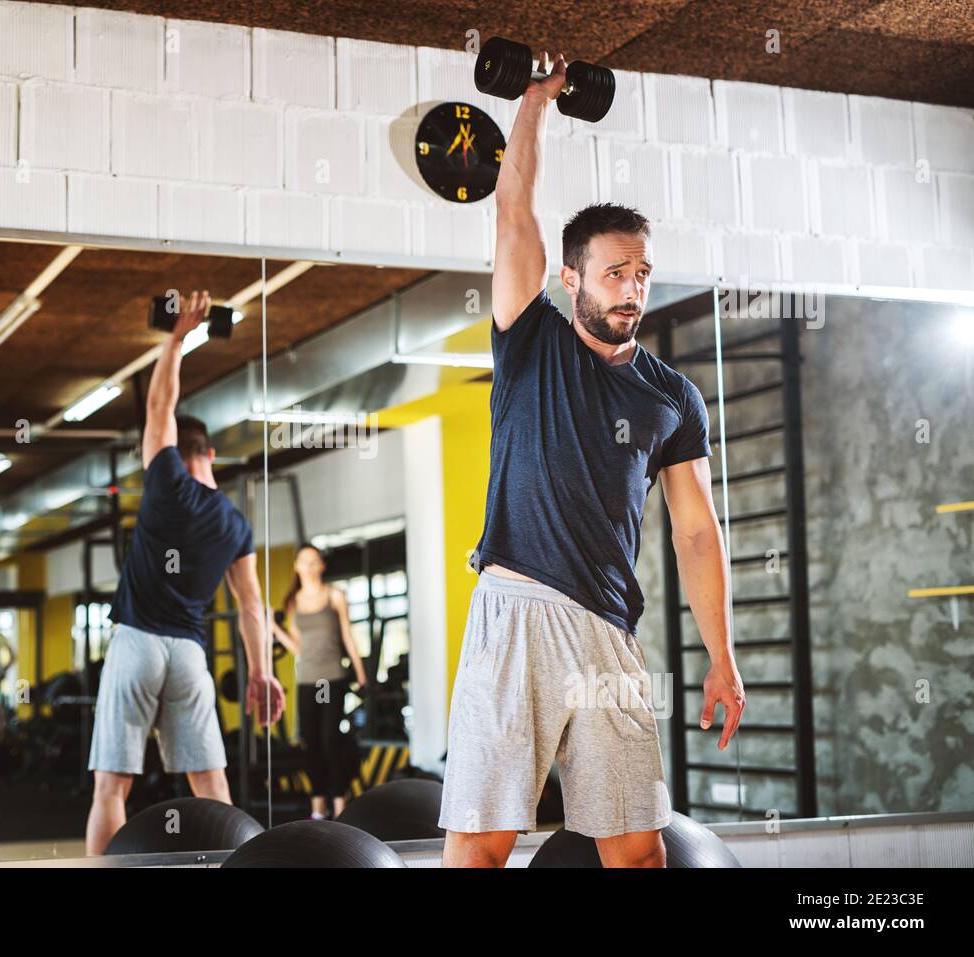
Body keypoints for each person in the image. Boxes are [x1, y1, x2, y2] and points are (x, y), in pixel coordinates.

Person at [439, 53, 745, 867]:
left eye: (641, 272)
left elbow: (695, 532)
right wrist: (538, 101)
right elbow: (513, 213)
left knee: (639, 851)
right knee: (480, 844)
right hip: (517, 614)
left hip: (610, 630)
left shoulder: (671, 394)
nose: (632, 289)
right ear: (571, 276)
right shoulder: (530, 340)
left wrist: (723, 655)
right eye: (615, 273)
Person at [85, 290, 286, 855]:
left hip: (138, 644)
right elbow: (252, 605)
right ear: (213, 456)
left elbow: (158, 408)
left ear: (179, 450)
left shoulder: (165, 481)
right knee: (211, 786)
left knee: (111, 788)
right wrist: (260, 672)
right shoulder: (235, 525)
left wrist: (177, 338)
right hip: (190, 656)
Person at [270, 544, 367, 820]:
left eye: (315, 562)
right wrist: (274, 628)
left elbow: (348, 636)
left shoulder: (334, 596)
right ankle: (318, 807)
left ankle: (339, 805)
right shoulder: (292, 602)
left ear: (321, 566)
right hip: (307, 680)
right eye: (305, 562)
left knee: (330, 740)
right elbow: (299, 648)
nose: (310, 567)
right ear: (297, 567)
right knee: (311, 742)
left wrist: (360, 672)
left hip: (332, 677)